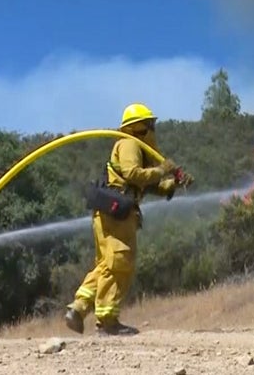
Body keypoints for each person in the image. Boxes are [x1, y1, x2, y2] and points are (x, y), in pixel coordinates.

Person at [64, 102, 193, 336]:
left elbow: (147, 185)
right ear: (139, 127)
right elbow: (133, 174)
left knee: (106, 265)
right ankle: (107, 321)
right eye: (150, 124)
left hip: (110, 213)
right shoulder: (130, 144)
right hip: (118, 214)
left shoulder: (134, 147)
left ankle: (79, 308)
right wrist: (163, 169)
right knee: (120, 263)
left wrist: (172, 182)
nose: (153, 129)